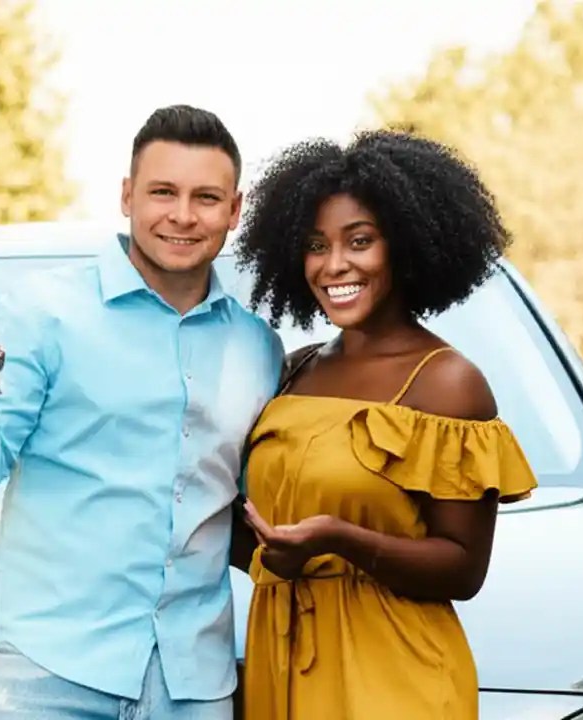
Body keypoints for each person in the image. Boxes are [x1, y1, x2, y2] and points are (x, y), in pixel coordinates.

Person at [0, 105, 284, 719]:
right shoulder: (44, 313)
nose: (181, 214)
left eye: (205, 197)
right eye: (162, 192)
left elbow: (257, 506)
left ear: (235, 209)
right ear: (127, 196)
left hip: (195, 685)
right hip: (50, 674)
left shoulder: (259, 348)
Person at [231, 129, 539, 719]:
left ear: (405, 246)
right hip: (282, 661)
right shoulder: (293, 372)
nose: (334, 265)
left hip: (392, 674)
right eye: (316, 245)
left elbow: (463, 566)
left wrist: (339, 540)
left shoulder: (447, 382)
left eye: (360, 241)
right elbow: (255, 532)